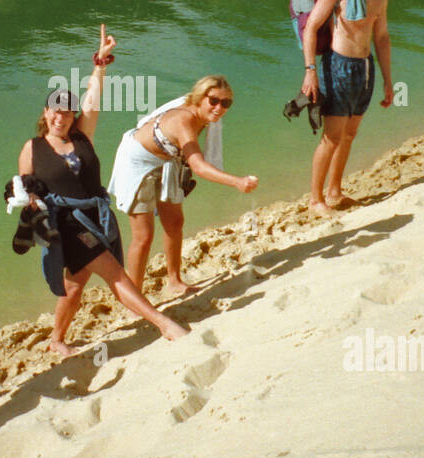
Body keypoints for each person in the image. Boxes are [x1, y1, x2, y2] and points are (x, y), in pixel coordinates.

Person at [17, 26, 188, 355]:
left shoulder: (81, 136)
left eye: (68, 111)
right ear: (45, 113)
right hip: (65, 224)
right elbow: (26, 187)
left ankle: (56, 340)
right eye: (55, 110)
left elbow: (93, 99)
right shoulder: (32, 148)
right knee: (113, 271)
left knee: (75, 283)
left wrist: (101, 62)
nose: (61, 116)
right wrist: (32, 205)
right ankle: (163, 325)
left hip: (95, 215)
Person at [110, 75, 259, 297]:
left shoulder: (203, 115)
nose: (219, 108)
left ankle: (174, 281)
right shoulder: (184, 120)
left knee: (175, 222)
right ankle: (134, 297)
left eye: (226, 103)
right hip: (137, 162)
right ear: (199, 98)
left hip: (167, 160)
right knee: (143, 236)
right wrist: (237, 181)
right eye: (214, 101)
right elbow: (198, 166)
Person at [301, 0, 394, 215]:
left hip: (364, 68)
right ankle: (316, 200)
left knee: (349, 134)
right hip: (337, 66)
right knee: (332, 137)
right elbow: (311, 29)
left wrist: (388, 80)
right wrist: (310, 71)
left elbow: (382, 38)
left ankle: (335, 192)